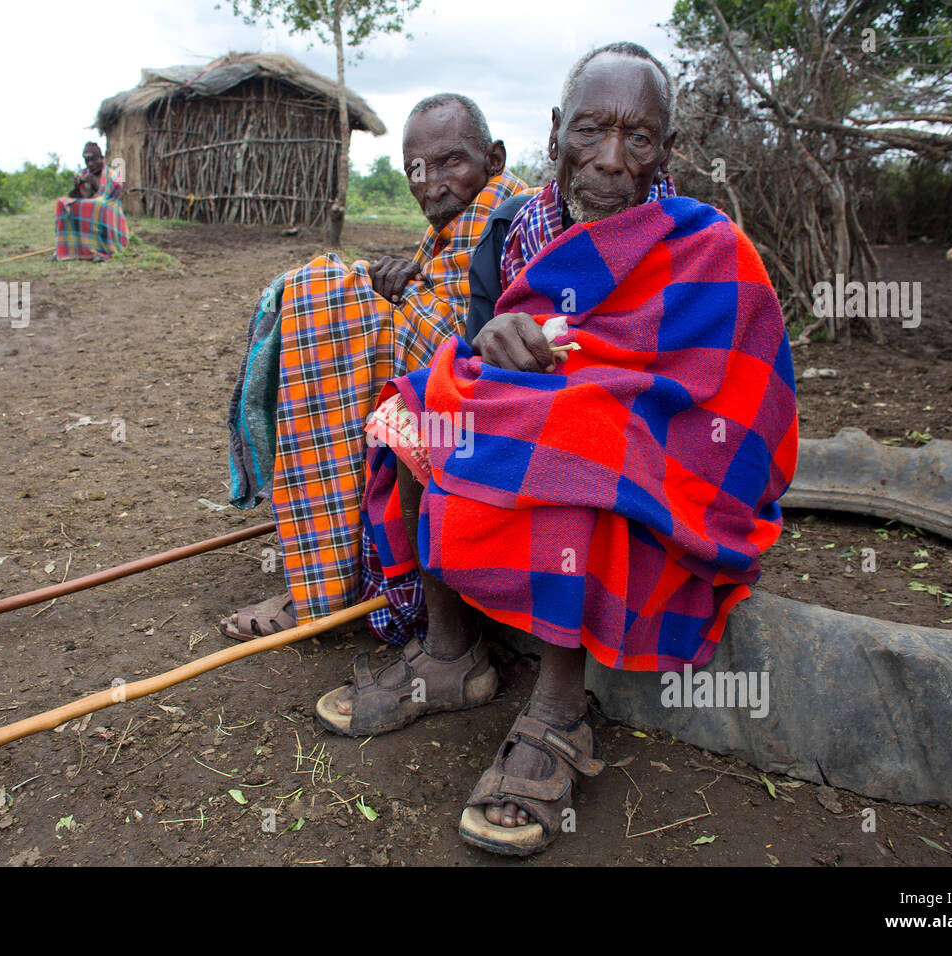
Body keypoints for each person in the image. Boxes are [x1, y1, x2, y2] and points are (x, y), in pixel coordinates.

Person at [319, 43, 799, 857]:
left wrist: (594, 387)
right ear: (555, 135)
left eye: (639, 138)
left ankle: (559, 710)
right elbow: (488, 342)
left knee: (580, 437)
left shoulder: (709, 246)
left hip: (665, 442)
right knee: (423, 406)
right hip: (552, 409)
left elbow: (742, 395)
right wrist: (498, 339)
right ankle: (449, 655)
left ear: (666, 151)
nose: (612, 161)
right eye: (592, 131)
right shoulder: (518, 227)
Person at [224, 95, 527, 642]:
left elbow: (477, 336)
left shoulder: (511, 220)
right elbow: (444, 295)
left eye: (451, 162)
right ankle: (326, 558)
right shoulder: (452, 227)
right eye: (417, 168)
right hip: (454, 396)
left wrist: (401, 294)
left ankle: (323, 586)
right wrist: (407, 282)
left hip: (498, 413)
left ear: (495, 159)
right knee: (335, 296)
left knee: (327, 304)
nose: (431, 183)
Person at [54, 142, 129, 261]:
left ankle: (101, 250)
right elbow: (79, 200)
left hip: (109, 214)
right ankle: (67, 249)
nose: (90, 164)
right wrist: (77, 188)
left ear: (101, 158)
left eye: (93, 160)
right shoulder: (83, 174)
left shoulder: (113, 177)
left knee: (96, 206)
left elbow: (107, 201)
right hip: (91, 211)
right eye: (87, 161)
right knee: (62, 203)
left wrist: (96, 186)